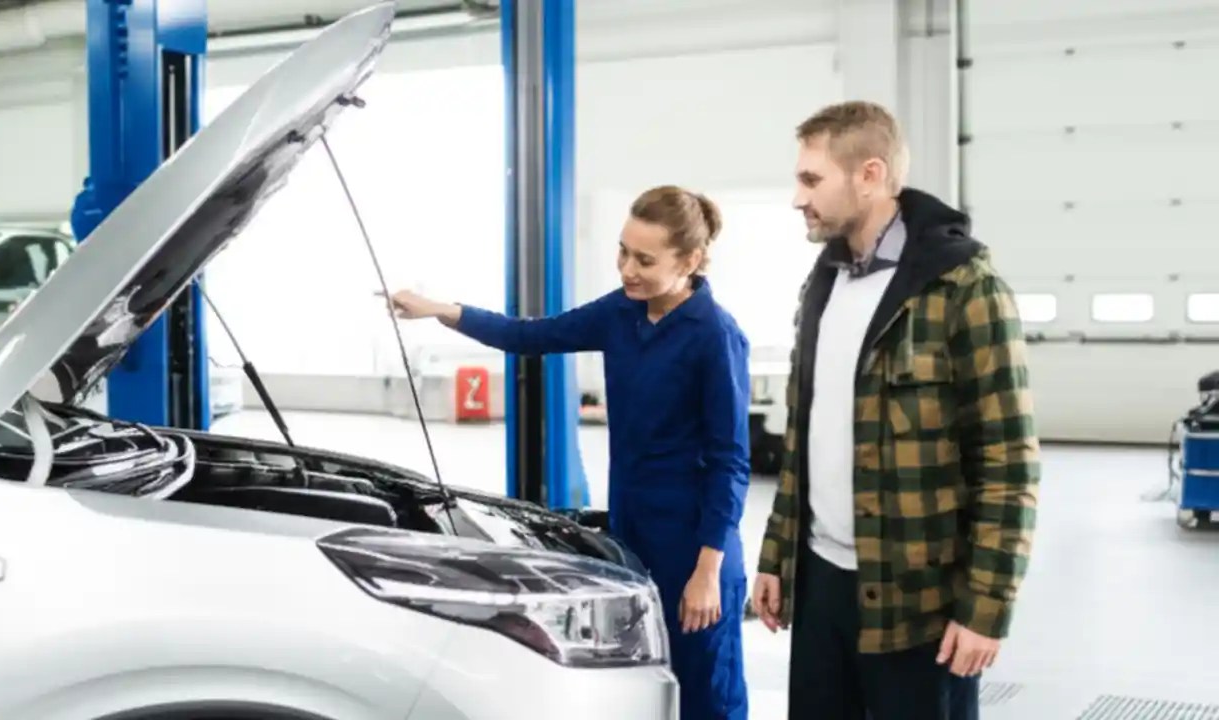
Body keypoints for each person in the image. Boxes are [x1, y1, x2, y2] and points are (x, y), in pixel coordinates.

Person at [384, 185, 751, 720]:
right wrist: (441, 309)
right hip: (634, 533)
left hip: (695, 546)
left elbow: (730, 462)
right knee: (644, 688)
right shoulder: (623, 312)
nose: (627, 268)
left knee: (706, 698)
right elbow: (528, 336)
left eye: (645, 259)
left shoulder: (715, 335)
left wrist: (708, 569)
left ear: (690, 260)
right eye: (623, 251)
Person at [750, 101, 1041, 719]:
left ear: (870, 174)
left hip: (921, 600)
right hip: (824, 580)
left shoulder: (963, 288)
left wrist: (985, 609)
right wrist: (778, 556)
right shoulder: (823, 283)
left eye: (810, 180)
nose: (796, 198)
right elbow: (807, 441)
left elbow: (1008, 459)